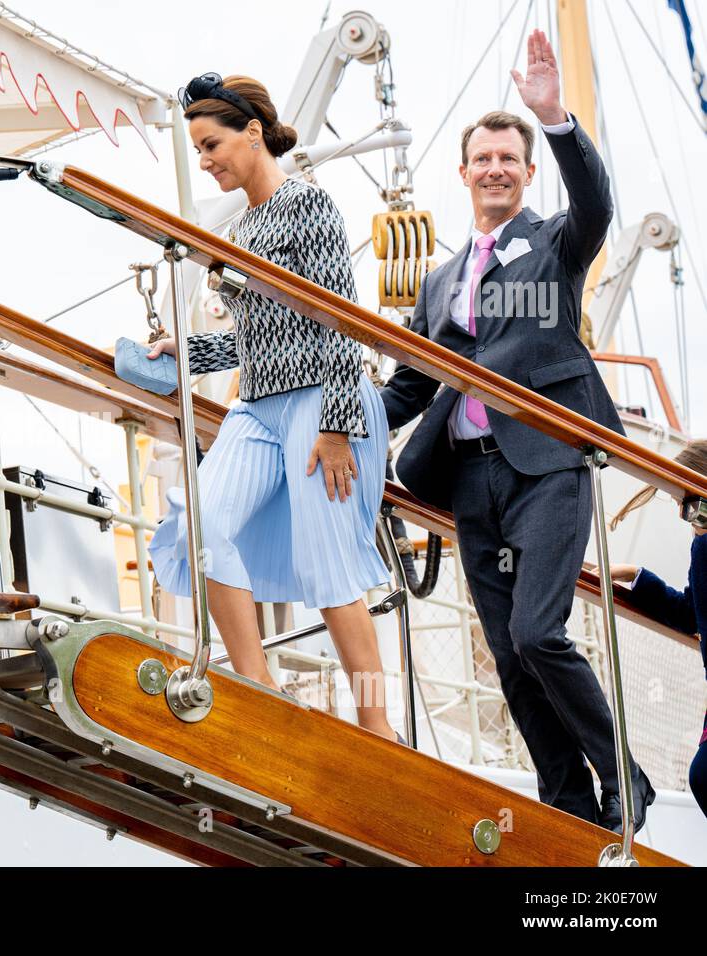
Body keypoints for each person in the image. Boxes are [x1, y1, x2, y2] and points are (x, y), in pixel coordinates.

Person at [377, 30, 654, 831]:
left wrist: (555, 116)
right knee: (509, 656)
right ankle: (567, 804)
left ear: (527, 172)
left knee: (540, 631)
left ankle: (621, 774)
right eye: (483, 158)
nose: (495, 168)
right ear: (463, 173)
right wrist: (342, 422)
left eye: (510, 157)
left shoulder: (555, 248)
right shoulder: (438, 280)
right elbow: (410, 384)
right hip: (470, 479)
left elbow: (597, 204)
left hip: (546, 467)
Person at [146, 73, 398, 742]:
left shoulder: (307, 206)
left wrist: (339, 426)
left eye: (211, 145)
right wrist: (187, 353)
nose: (205, 161)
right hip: (258, 407)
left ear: (252, 133)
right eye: (198, 150)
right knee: (201, 524)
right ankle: (256, 685)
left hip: (325, 401)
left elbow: (343, 318)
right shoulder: (246, 224)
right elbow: (256, 337)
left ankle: (377, 725)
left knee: (329, 562)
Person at [609, 440, 707, 820]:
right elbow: (691, 614)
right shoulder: (701, 549)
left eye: (687, 503)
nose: (685, 515)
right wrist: (636, 576)